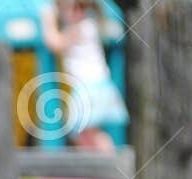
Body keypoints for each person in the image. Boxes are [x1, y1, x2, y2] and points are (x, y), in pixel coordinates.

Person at [40, 1, 128, 152]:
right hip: (93, 86)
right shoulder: (88, 25)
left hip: (90, 87)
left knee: (89, 133)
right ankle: (98, 165)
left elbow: (54, 42)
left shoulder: (81, 28)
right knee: (83, 133)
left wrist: (48, 19)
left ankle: (111, 163)